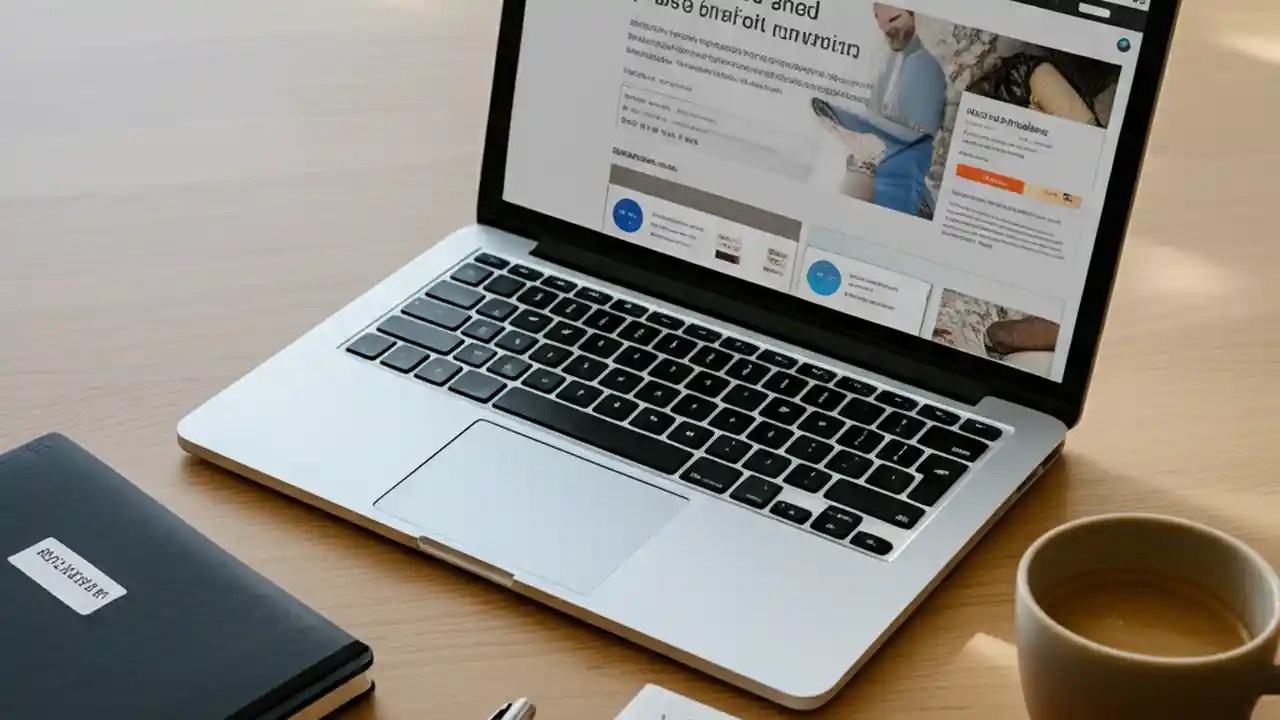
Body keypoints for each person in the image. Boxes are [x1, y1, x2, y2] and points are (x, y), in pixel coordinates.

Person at [811, 3, 947, 217]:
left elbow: (916, 142)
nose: (885, 28)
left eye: (893, 20)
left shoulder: (924, 66)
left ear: (916, 15)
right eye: (879, 20)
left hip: (904, 184)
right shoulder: (891, 59)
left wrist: (856, 134)